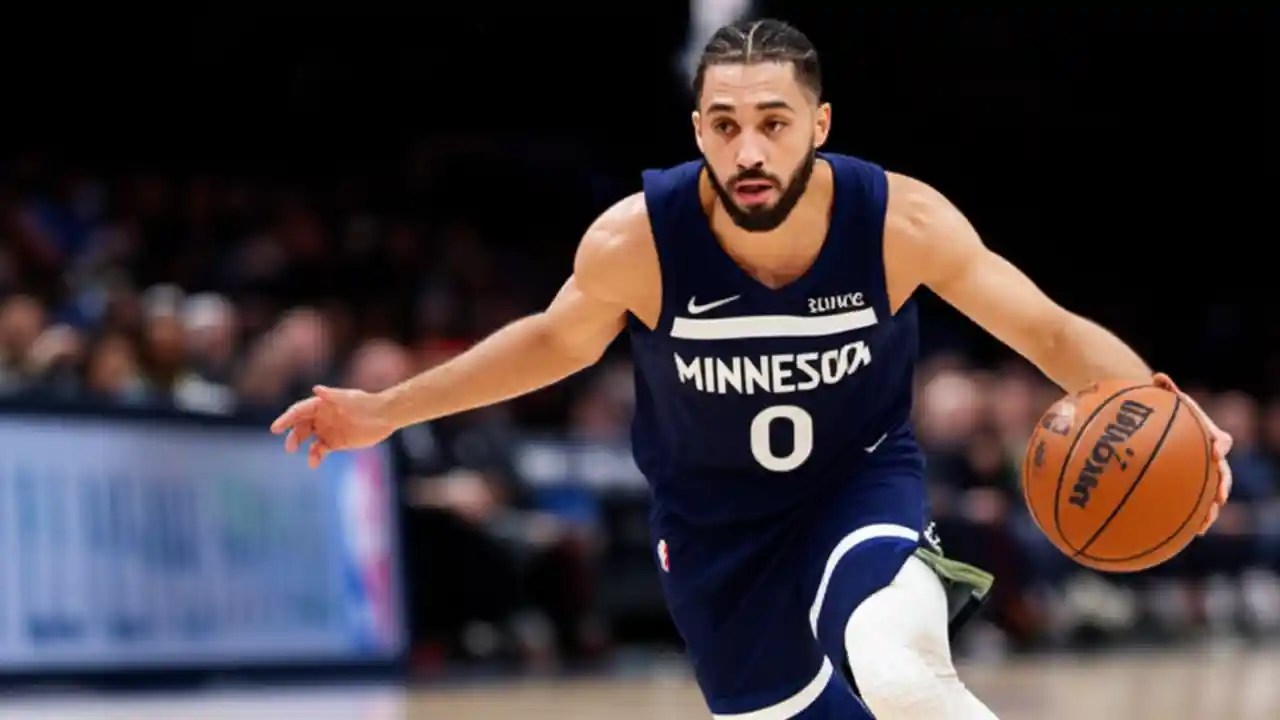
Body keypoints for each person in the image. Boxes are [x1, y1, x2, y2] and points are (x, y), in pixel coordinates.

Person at [270, 18, 1235, 719]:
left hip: (860, 486)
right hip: (713, 530)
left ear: (820, 125)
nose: (750, 149)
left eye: (774, 121)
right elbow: (550, 345)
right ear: (697, 133)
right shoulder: (637, 242)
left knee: (899, 669)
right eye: (725, 124)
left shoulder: (900, 223)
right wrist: (386, 410)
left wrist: (1172, 412)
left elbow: (1056, 336)